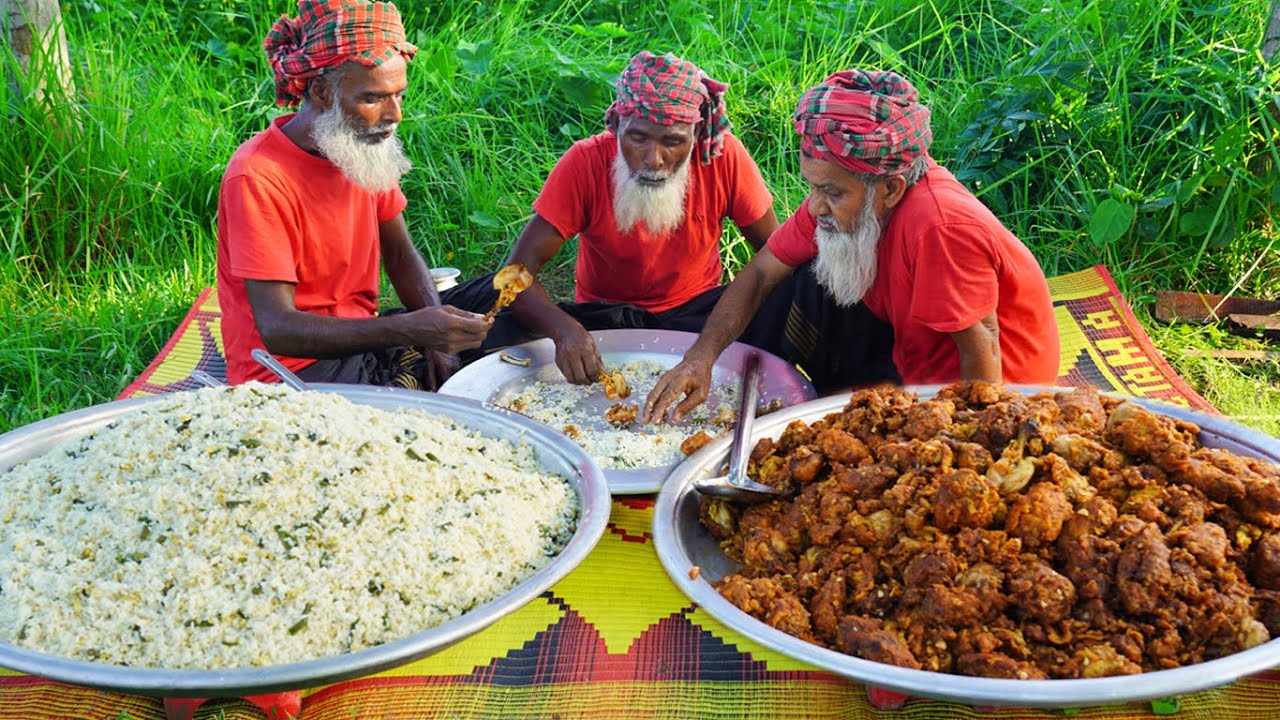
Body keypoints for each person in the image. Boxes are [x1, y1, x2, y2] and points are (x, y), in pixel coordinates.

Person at [645, 69, 1059, 422]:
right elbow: (762, 272)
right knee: (804, 273)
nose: (815, 206)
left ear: (891, 189)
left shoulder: (940, 227)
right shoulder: (851, 196)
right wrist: (701, 357)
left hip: (1000, 396)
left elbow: (983, 348)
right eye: (813, 186)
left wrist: (974, 439)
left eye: (830, 191)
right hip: (915, 365)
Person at [443, 51, 780, 385]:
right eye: (638, 138)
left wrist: (715, 340)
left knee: (790, 299)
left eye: (673, 142)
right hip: (604, 319)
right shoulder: (584, 162)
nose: (654, 159)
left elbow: (776, 256)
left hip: (698, 316)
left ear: (696, 133)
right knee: (485, 326)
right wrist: (565, 332)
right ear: (617, 125)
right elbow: (517, 272)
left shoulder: (723, 158)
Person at [216, 0, 491, 390]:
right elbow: (278, 328)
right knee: (440, 408)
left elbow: (400, 253)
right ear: (321, 91)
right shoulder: (258, 176)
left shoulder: (361, 147)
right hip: (295, 371)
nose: (394, 115)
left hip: (364, 337)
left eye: (399, 95)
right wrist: (409, 329)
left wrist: (436, 338)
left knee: (511, 305)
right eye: (373, 98)